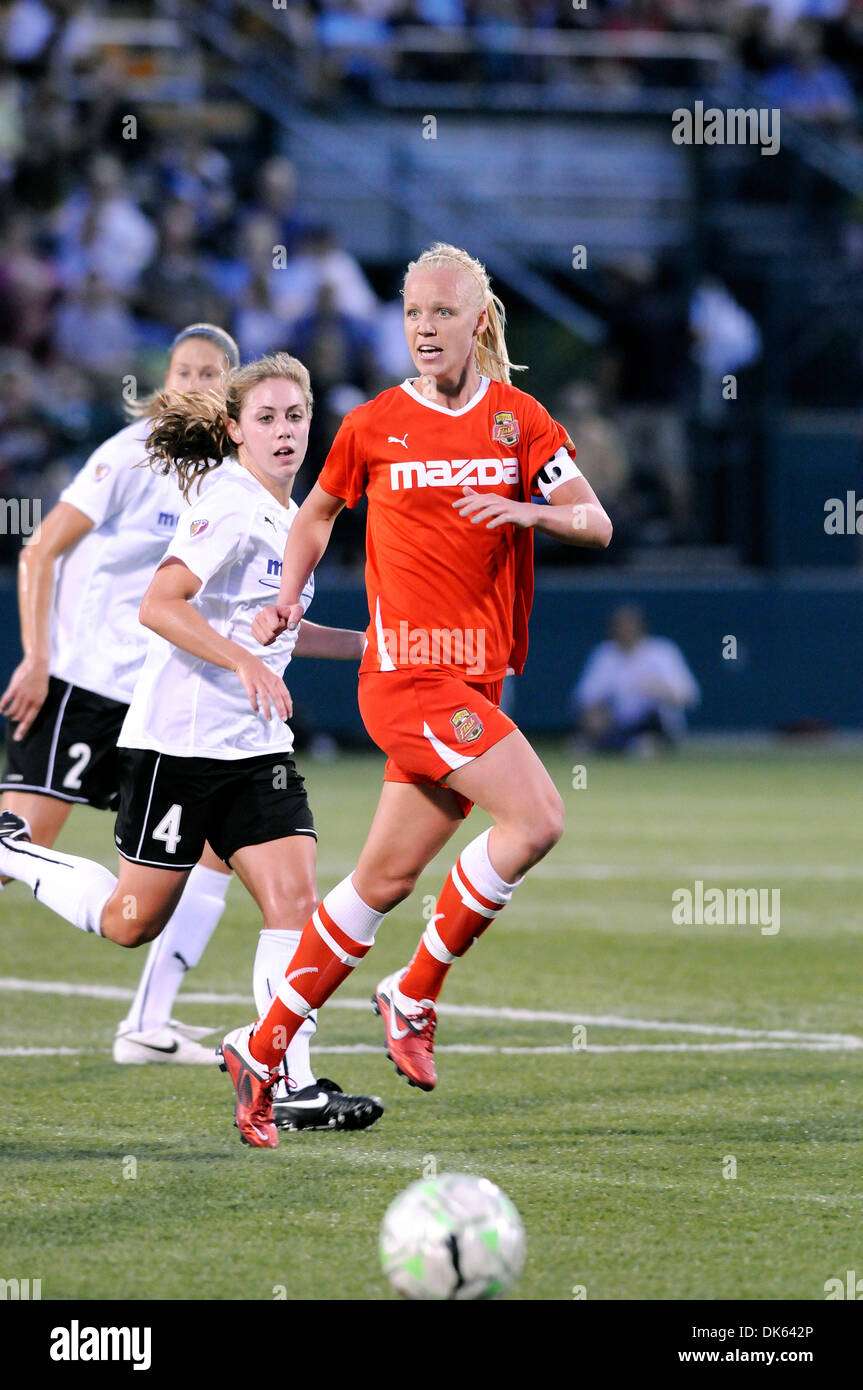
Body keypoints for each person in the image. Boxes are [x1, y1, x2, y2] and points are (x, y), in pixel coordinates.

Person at [216, 241, 613, 1147]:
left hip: (471, 673)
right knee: (538, 818)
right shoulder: (372, 425)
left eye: (441, 313)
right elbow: (315, 513)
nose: (424, 329)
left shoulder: (518, 423)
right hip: (406, 672)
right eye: (412, 314)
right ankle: (416, 989)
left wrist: (530, 513)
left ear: (478, 320)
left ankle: (264, 1044)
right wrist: (285, 596)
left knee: (380, 880)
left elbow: (595, 520)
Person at [0, 350, 384, 1138]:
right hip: (179, 745)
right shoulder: (231, 502)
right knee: (129, 920)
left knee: (295, 900)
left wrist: (366, 645)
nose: (284, 432)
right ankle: (12, 849)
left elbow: (271, 624)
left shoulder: (291, 513)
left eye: (295, 417)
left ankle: (289, 1079)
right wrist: (242, 659)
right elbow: (159, 603)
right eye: (267, 419)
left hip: (253, 746)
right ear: (238, 432)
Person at [1, 323, 239, 1065]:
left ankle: (147, 1025)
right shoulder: (130, 454)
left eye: (209, 374)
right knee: (15, 849)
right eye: (183, 370)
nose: (194, 383)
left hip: (156, 702)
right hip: (84, 685)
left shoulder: (225, 474)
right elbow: (40, 547)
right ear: (164, 380)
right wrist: (38, 657)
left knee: (216, 844)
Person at [572, 605, 699, 753]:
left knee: (648, 740)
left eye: (630, 625)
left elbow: (689, 695)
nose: (626, 630)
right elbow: (584, 697)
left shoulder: (662, 651)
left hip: (655, 724)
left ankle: (651, 746)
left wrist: (660, 690)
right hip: (617, 724)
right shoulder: (604, 654)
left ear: (641, 626)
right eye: (620, 626)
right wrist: (596, 713)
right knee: (584, 740)